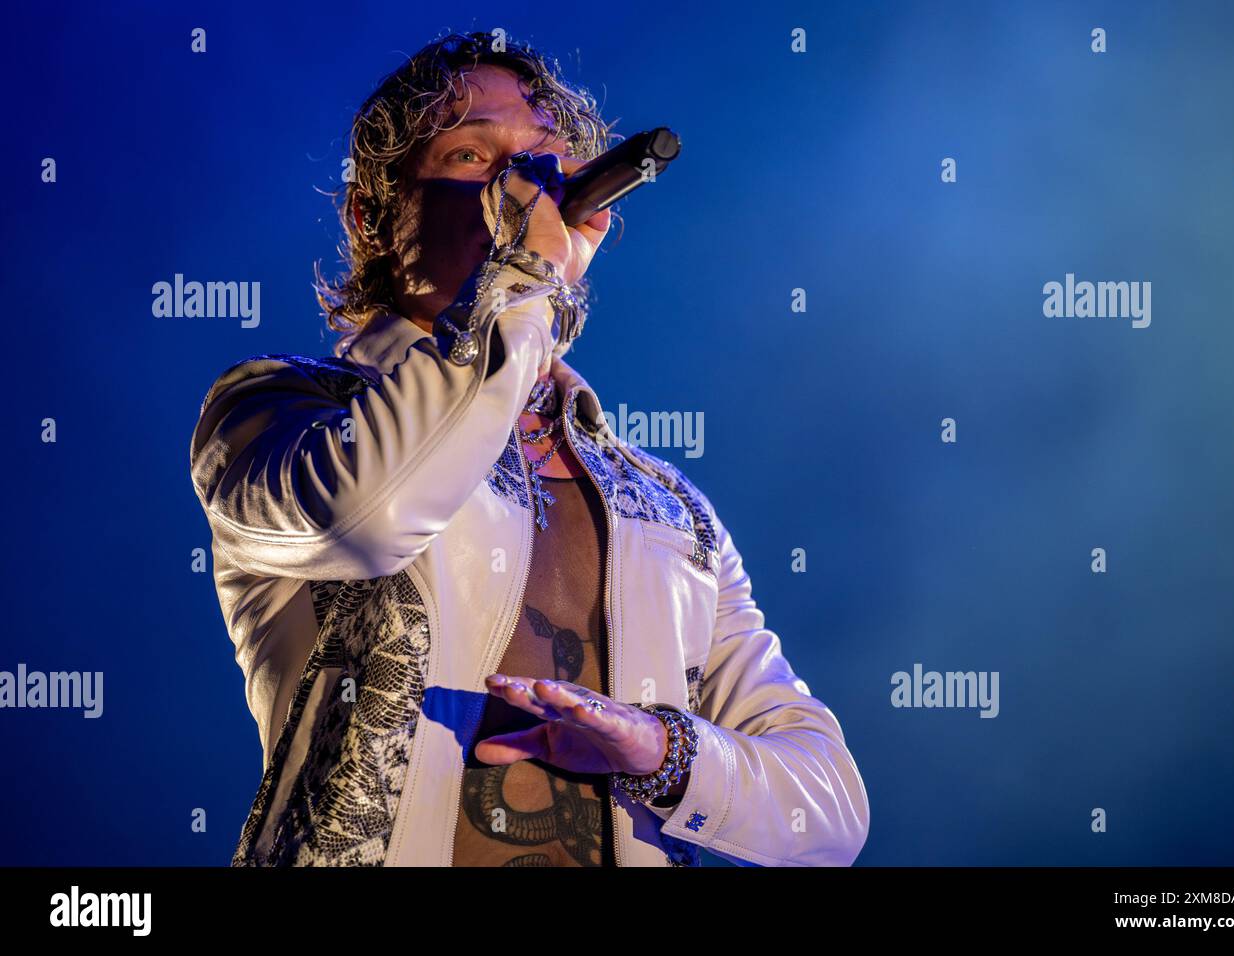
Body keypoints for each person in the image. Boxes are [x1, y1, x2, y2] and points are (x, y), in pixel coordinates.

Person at [189, 30, 869, 867]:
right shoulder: (275, 412)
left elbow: (829, 812)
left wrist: (662, 752)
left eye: (544, 162)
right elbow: (368, 516)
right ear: (372, 217)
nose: (520, 188)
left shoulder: (671, 511)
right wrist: (520, 281)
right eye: (474, 155)